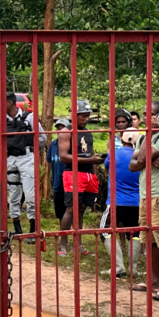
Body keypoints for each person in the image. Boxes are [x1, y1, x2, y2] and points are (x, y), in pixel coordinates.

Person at [129, 101, 159, 301]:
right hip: (144, 196)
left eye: (152, 113)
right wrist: (148, 157)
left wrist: (144, 156)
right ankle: (154, 283)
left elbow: (140, 160)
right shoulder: (142, 138)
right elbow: (132, 166)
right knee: (150, 242)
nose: (147, 117)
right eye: (145, 113)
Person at [0, 92, 46, 243]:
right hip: (10, 159)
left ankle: (32, 230)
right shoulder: (2, 121)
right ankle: (17, 229)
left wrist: (32, 151)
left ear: (10, 103)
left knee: (30, 195)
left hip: (26, 158)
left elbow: (42, 137)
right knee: (13, 195)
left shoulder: (29, 118)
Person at [56, 100, 103, 255]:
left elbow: (90, 153)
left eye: (87, 116)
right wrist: (88, 160)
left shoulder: (87, 132)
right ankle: (63, 245)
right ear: (74, 115)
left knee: (82, 208)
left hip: (88, 174)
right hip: (73, 173)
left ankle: (78, 243)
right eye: (83, 116)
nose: (86, 119)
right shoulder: (66, 132)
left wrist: (94, 172)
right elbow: (63, 156)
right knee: (71, 208)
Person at [99, 122, 143, 278]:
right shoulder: (142, 157)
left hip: (116, 201)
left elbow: (107, 167)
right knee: (135, 233)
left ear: (122, 139)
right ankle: (133, 268)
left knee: (105, 231)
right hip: (136, 202)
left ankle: (118, 267)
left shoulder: (114, 154)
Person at [47, 118, 69, 221]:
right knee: (60, 210)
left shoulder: (72, 144)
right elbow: (49, 160)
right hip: (57, 182)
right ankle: (62, 229)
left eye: (62, 129)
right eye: (58, 129)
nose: (60, 131)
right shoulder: (53, 144)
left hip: (69, 182)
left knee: (71, 209)